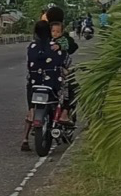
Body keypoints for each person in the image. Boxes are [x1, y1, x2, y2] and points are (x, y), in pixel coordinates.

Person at [21, 20, 64, 151]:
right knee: (62, 98)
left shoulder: (31, 47)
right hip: (52, 84)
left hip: (34, 85)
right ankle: (61, 118)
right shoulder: (56, 47)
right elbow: (62, 62)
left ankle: (25, 138)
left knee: (31, 110)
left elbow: (30, 65)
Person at [50, 21, 78, 125]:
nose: (55, 33)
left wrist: (59, 46)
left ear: (62, 32)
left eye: (58, 31)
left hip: (59, 72)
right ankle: (64, 114)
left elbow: (65, 45)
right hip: (57, 75)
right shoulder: (51, 42)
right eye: (53, 31)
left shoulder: (61, 41)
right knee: (72, 90)